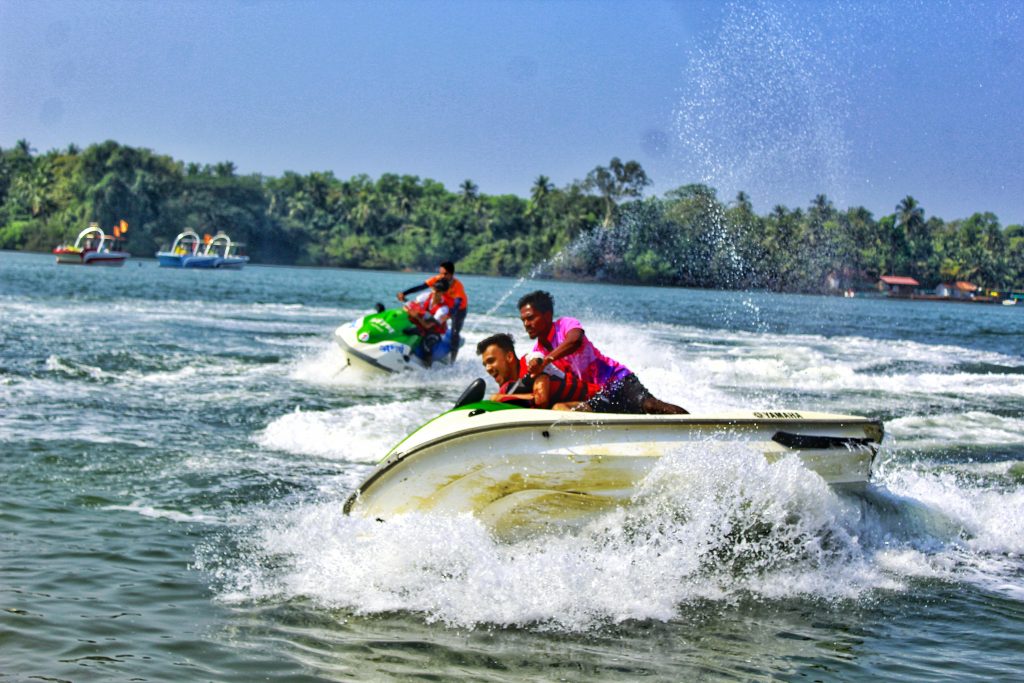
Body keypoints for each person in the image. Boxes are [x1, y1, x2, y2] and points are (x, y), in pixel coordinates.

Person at [517, 290, 688, 414]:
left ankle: (696, 427)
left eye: (531, 318)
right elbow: (538, 365)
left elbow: (575, 341)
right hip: (596, 393)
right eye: (523, 320)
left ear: (547, 316)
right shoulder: (537, 350)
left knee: (650, 406)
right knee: (565, 410)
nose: (526, 324)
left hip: (618, 380)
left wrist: (546, 361)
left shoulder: (565, 325)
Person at [476, 333, 592, 410]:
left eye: (491, 361)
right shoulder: (508, 390)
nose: (488, 368)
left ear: (509, 357)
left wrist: (536, 363)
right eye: (485, 364)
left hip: (598, 399)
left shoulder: (528, 362)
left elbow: (541, 400)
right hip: (580, 407)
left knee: (558, 408)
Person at [398, 261, 468, 362]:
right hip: (443, 305)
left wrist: (448, 315)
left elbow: (457, 304)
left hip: (459, 309)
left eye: (445, 274)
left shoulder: (458, 286)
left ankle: (452, 361)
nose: (442, 276)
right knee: (427, 322)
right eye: (440, 273)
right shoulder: (437, 281)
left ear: (451, 274)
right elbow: (421, 287)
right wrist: (404, 293)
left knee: (454, 333)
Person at [404, 279, 454, 368]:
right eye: (434, 289)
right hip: (421, 326)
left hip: (436, 332)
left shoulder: (443, 309)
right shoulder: (425, 296)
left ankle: (427, 369)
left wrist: (416, 316)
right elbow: (411, 306)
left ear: (443, 293)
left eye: (438, 291)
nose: (435, 292)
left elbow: (428, 325)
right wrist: (408, 309)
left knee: (426, 345)